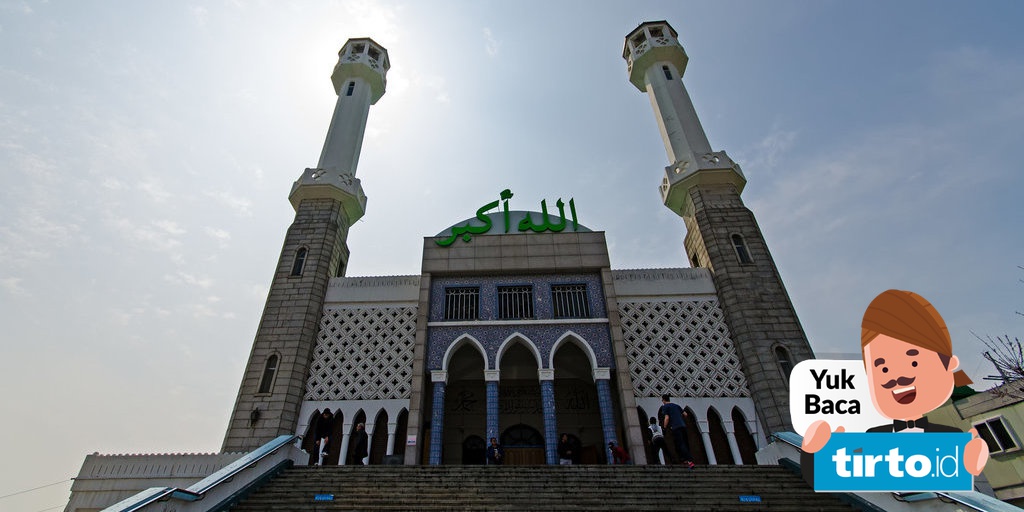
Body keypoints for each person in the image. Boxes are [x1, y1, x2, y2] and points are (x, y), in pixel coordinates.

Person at [801, 290, 990, 481]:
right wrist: (813, 452)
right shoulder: (874, 436)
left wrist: (969, 463)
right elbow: (835, 470)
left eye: (913, 363)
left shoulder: (949, 436)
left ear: (949, 364)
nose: (898, 378)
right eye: (883, 369)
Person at [658, 394, 695, 468]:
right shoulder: (676, 405)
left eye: (662, 400)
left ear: (664, 400)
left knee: (680, 443)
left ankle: (689, 460)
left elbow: (667, 417)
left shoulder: (665, 407)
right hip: (682, 426)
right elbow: (685, 414)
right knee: (684, 443)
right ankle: (685, 459)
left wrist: (664, 428)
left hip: (675, 427)